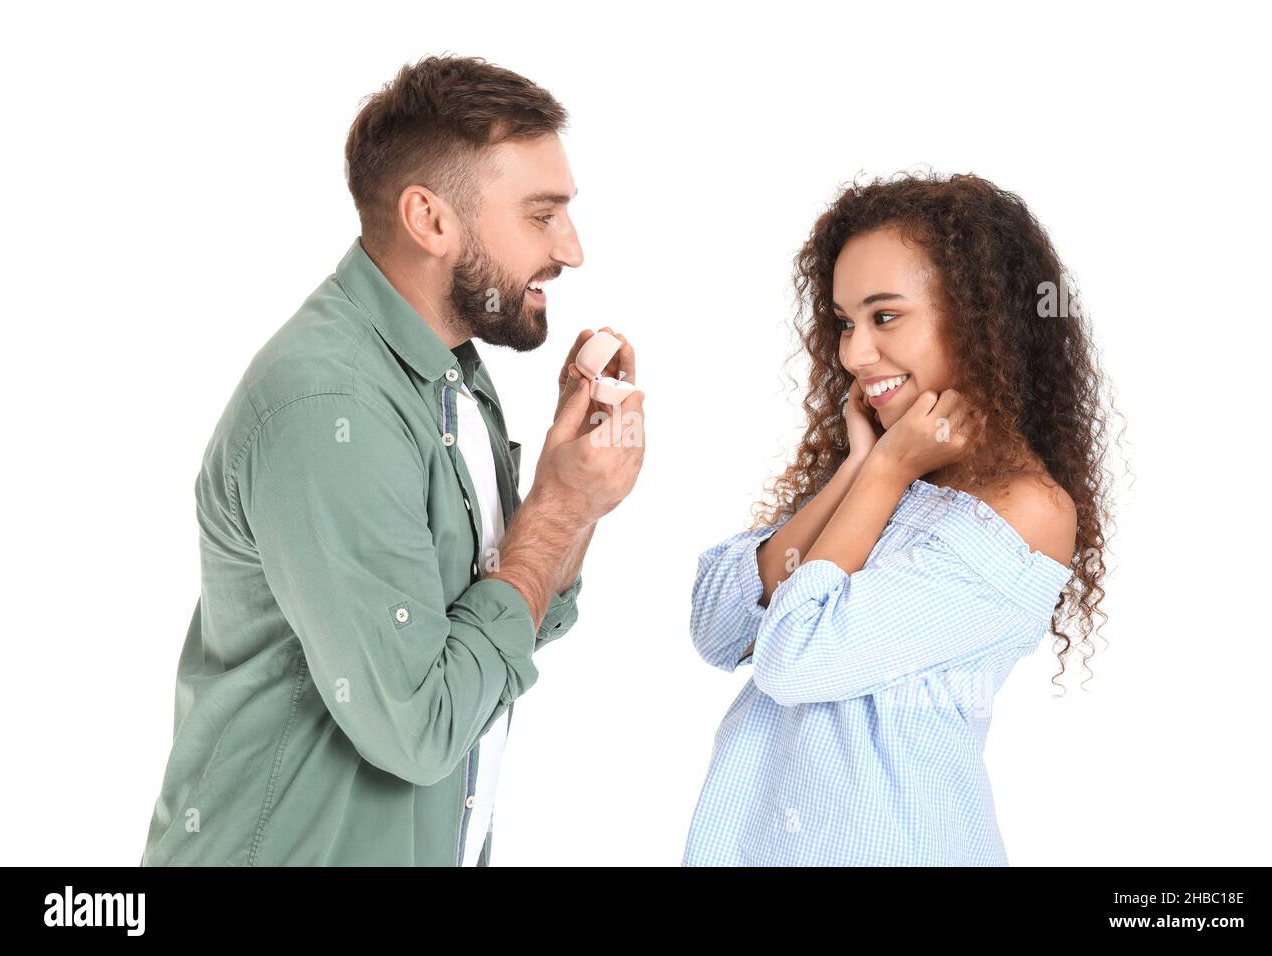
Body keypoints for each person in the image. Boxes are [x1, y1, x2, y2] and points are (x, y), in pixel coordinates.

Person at [140, 55, 645, 866]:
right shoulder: (330, 406)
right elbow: (421, 726)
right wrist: (554, 510)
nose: (573, 249)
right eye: (542, 215)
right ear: (431, 220)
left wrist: (571, 499)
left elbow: (514, 624)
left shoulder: (449, 378)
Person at [683, 171, 1114, 866]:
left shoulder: (1025, 512)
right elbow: (720, 627)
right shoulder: (890, 479)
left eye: (885, 317)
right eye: (846, 323)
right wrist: (861, 470)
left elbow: (794, 659)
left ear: (983, 318)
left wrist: (884, 472)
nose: (854, 354)